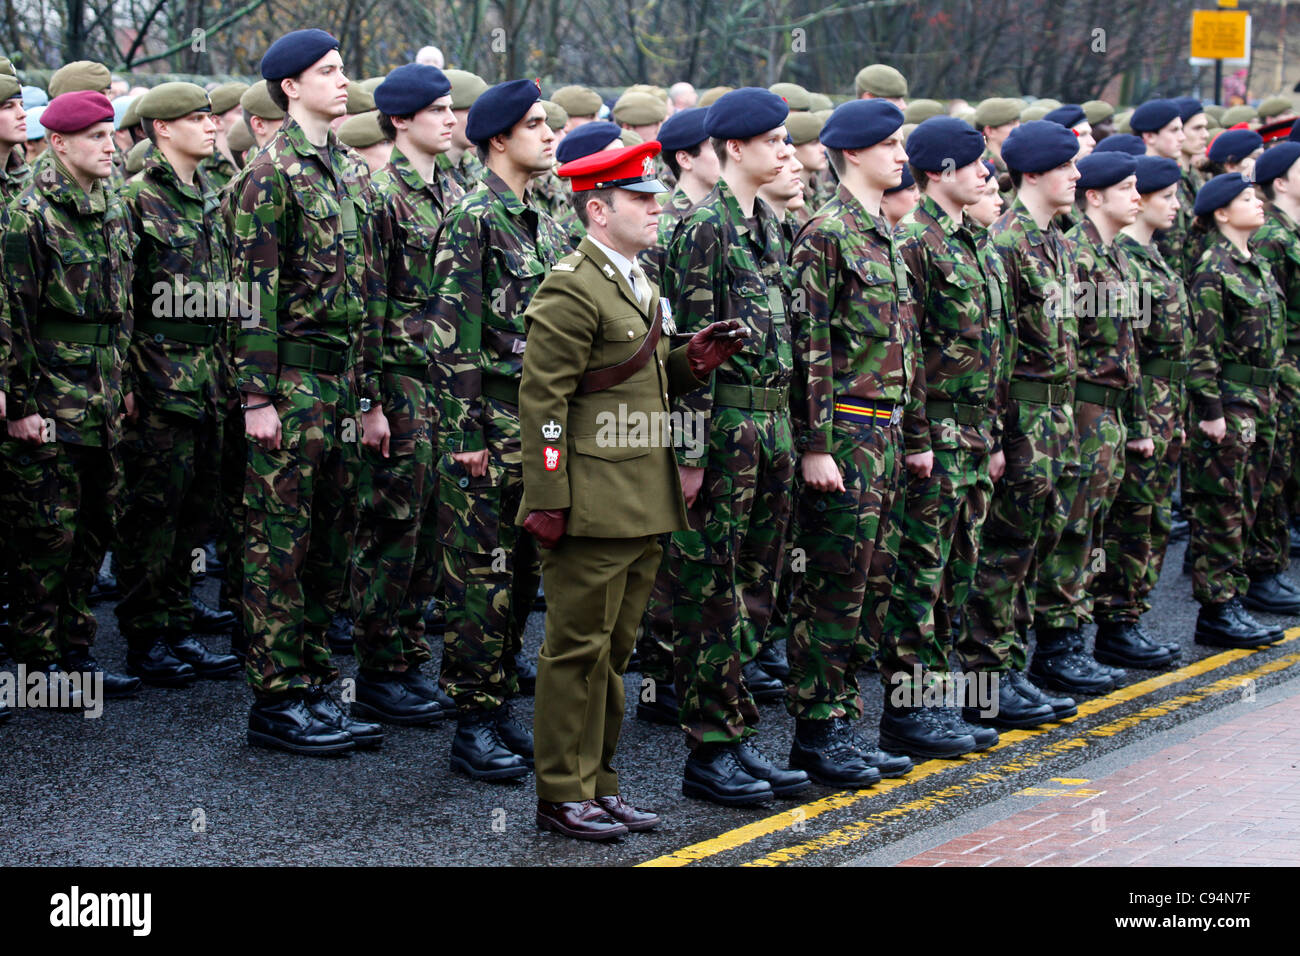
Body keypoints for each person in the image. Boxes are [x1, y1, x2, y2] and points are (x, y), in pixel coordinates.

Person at [518, 140, 747, 840]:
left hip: (641, 495)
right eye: (641, 200)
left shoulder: (638, 280)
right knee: (576, 650)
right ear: (597, 210)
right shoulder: (571, 285)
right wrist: (550, 495)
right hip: (590, 501)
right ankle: (561, 792)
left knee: (614, 654)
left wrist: (692, 362)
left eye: (656, 197)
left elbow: (636, 380)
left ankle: (600, 783)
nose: (658, 208)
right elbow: (544, 401)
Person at [232, 28, 382, 755]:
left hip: (342, 380)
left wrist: (372, 397)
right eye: (327, 71)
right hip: (289, 384)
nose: (342, 81)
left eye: (343, 69)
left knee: (330, 544)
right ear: (290, 87)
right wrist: (255, 398)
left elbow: (372, 291)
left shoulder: (349, 170)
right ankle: (277, 699)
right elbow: (249, 297)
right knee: (277, 546)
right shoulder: (270, 173)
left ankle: (317, 684)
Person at [660, 87, 810, 806]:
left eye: (787, 139)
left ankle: (737, 734)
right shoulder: (705, 228)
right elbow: (690, 353)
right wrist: (688, 455)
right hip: (723, 433)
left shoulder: (767, 227)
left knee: (754, 590)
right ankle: (710, 749)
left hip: (771, 426)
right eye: (774, 140)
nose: (787, 151)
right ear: (736, 149)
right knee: (709, 590)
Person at [429, 78, 569, 780]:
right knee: (479, 579)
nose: (548, 134)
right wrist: (465, 436)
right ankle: (473, 722)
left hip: (537, 427)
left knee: (517, 579)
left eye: (547, 123)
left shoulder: (538, 214)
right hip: (488, 426)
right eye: (535, 125)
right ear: (498, 140)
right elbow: (452, 338)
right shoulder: (474, 218)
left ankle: (500, 705)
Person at [782, 98, 924, 784]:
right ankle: (816, 730)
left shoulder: (882, 234)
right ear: (856, 154)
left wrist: (915, 434)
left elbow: (904, 350)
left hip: (886, 434)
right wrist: (815, 445)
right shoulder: (826, 233)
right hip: (846, 433)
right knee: (833, 588)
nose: (903, 156)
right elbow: (807, 345)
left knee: (872, 587)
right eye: (892, 145)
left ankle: (844, 719)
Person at [1, 90, 141, 701]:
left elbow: (125, 307)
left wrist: (127, 382)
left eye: (112, 135)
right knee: (45, 536)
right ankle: (36, 664)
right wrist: (23, 405)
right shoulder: (28, 215)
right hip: (51, 400)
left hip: (103, 396)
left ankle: (77, 650)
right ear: (57, 143)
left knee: (94, 526)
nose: (110, 146)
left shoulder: (110, 208)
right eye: (95, 137)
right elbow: (13, 319)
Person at [880, 115, 1009, 762]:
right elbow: (908, 355)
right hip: (937, 440)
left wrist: (996, 436)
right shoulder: (916, 245)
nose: (987, 173)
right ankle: (908, 710)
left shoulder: (972, 242)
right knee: (919, 577)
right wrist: (919, 439)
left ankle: (940, 697)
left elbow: (995, 351)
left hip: (975, 435)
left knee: (957, 572)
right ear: (941, 172)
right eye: (975, 162)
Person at [116, 82, 242, 686]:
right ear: (162, 129)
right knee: (153, 511)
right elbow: (121, 302)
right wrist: (128, 381)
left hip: (209, 377)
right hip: (160, 379)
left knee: (196, 510)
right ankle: (147, 635)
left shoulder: (207, 197)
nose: (212, 126)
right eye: (197, 119)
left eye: (211, 117)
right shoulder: (136, 201)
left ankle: (176, 624)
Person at [349, 63, 463, 726]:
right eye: (437, 110)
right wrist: (369, 401)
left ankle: (407, 658)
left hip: (443, 383)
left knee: (428, 531)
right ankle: (378, 669)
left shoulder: (444, 188)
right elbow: (365, 302)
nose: (450, 120)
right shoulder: (379, 195)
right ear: (401, 121)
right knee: (391, 530)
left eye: (451, 109)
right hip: (399, 383)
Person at [962, 120, 1082, 729]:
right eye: (1067, 166)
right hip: (1023, 415)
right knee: (1004, 550)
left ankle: (1014, 667)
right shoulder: (1007, 243)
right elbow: (998, 350)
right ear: (1033, 172)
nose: (1077, 176)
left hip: (1056, 414)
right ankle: (986, 678)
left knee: (1038, 545)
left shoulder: (1054, 239)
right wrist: (1003, 436)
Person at [1030, 152, 1152, 695]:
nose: (1139, 198)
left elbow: (1126, 347)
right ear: (1095, 197)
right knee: (1071, 528)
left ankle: (1076, 636)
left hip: (1108, 408)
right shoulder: (1075, 253)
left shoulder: (1114, 257)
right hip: (1078, 409)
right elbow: (1065, 345)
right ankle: (1058, 646)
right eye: (1126, 187)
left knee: (1091, 526)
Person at [1090, 156, 1192, 666]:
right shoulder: (1118, 258)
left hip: (1162, 404)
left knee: (1152, 517)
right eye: (1164, 196)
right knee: (1129, 519)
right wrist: (1138, 418)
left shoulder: (1144, 257)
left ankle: (1129, 616)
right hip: (1138, 404)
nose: (1174, 205)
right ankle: (1115, 620)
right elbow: (1122, 350)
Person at [1184, 173, 1288, 647]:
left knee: (1253, 500)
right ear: (1222, 213)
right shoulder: (1213, 269)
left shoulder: (1256, 265)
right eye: (1247, 199)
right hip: (1233, 402)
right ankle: (1217, 609)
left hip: (1265, 399)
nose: (1259, 204)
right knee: (1223, 506)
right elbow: (1202, 349)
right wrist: (1211, 410)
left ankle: (1237, 597)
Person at [1241, 143, 1300, 614]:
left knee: (1279, 474)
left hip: (1285, 373)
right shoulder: (1271, 237)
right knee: (1264, 477)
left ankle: (1270, 567)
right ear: (1279, 181)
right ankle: (1259, 572)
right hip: (1274, 371)